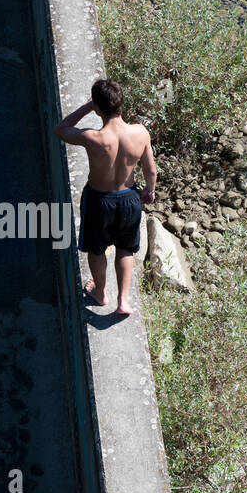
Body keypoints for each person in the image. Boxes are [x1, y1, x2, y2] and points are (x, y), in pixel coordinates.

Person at [54, 78, 156, 316]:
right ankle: (123, 301)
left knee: (97, 250)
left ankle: (100, 293)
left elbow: (61, 129)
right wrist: (149, 191)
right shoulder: (140, 132)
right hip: (129, 199)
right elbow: (151, 170)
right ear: (121, 104)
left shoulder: (93, 138)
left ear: (99, 108)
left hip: (99, 200)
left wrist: (87, 106)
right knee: (125, 249)